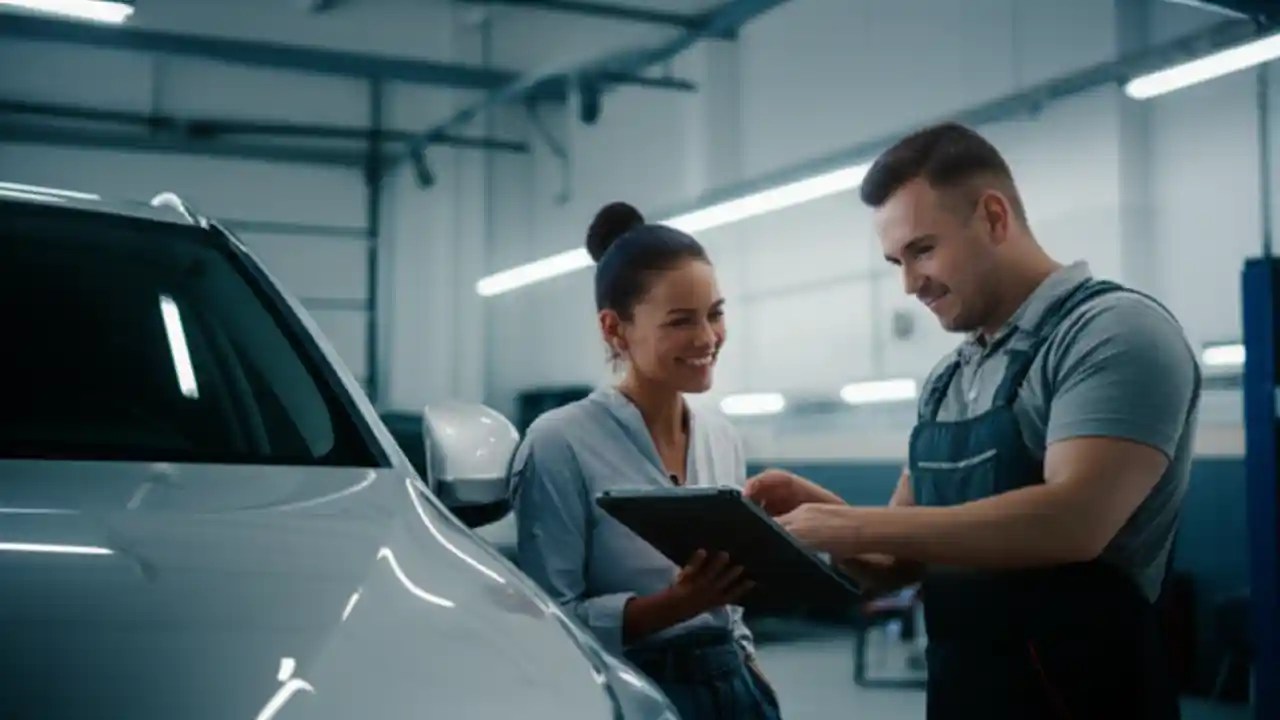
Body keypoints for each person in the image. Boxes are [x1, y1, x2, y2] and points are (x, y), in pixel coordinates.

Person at [746, 122, 1200, 720]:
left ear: (993, 217)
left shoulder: (1112, 332)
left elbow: (1075, 520)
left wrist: (851, 525)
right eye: (896, 262)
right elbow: (894, 564)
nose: (909, 284)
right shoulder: (948, 380)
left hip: (1087, 701)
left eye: (923, 250)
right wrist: (811, 510)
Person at [513, 202, 782, 720]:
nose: (707, 338)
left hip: (732, 685)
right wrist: (671, 607)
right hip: (632, 689)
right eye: (681, 322)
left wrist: (748, 664)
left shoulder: (722, 438)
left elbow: (730, 600)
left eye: (716, 313)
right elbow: (551, 617)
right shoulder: (560, 442)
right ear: (615, 330)